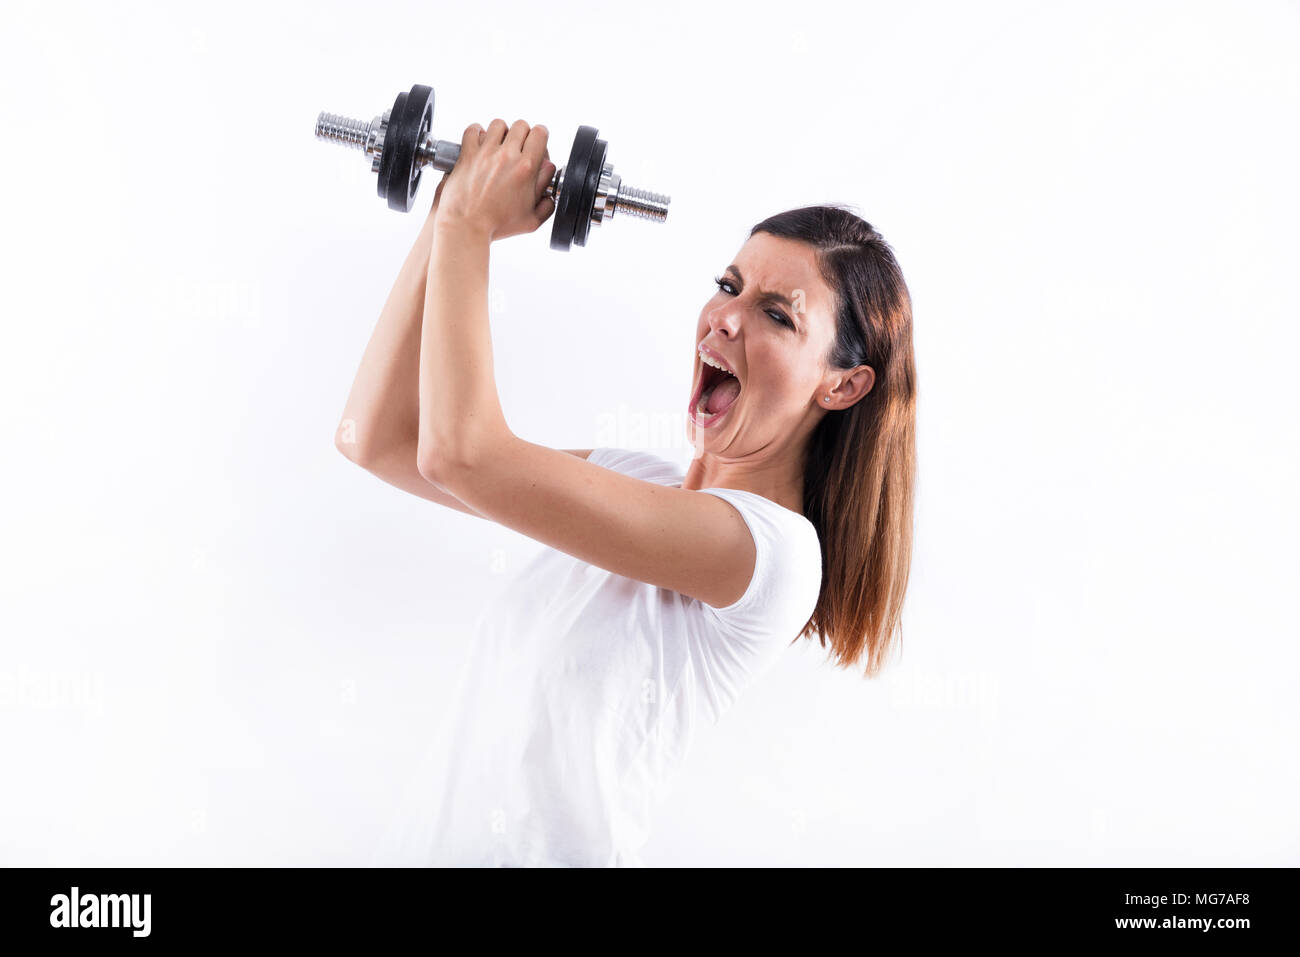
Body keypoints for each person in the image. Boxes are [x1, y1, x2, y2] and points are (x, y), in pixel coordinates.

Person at [336, 119, 917, 866]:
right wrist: (449, 204)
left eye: (777, 314)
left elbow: (463, 453)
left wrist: (469, 224)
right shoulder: (635, 476)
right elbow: (376, 437)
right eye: (728, 286)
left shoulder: (776, 556)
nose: (726, 318)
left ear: (843, 384)